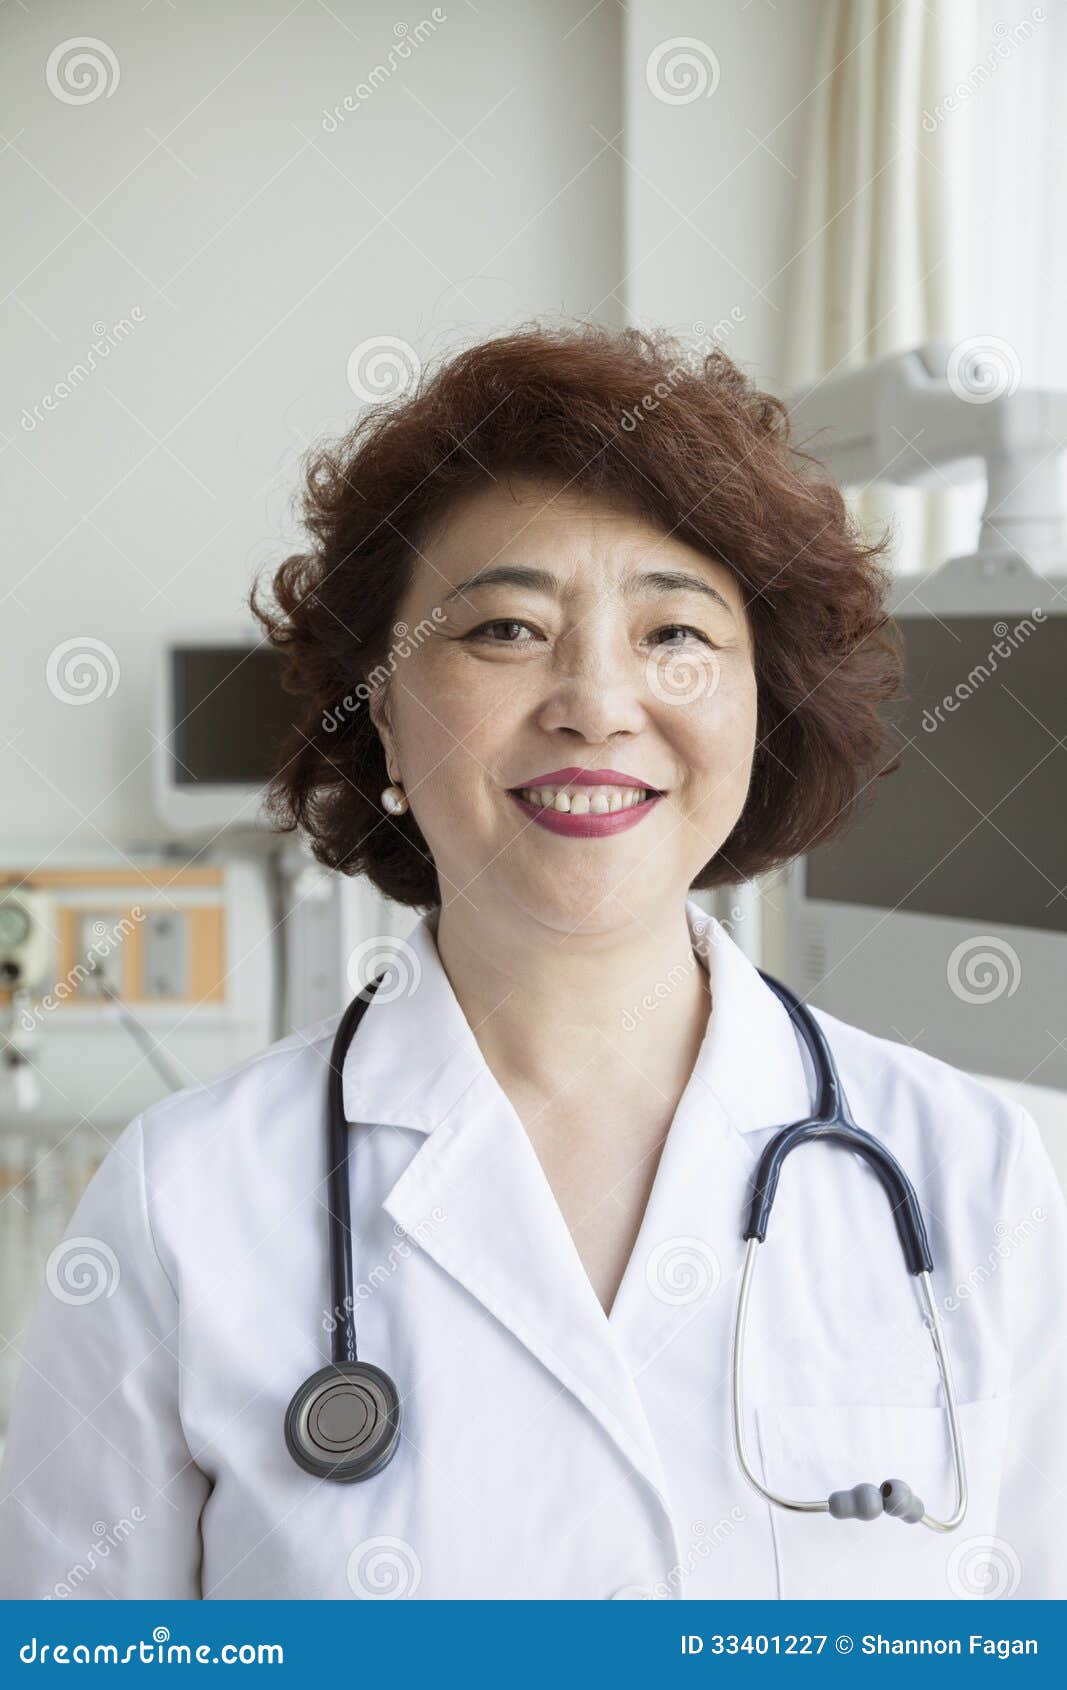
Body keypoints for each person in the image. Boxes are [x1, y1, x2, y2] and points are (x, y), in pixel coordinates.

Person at [1, 323, 1064, 1601]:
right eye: (505, 628)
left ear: (759, 708)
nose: (595, 703)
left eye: (674, 633)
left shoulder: (969, 1173)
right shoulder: (182, 1200)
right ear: (382, 709)